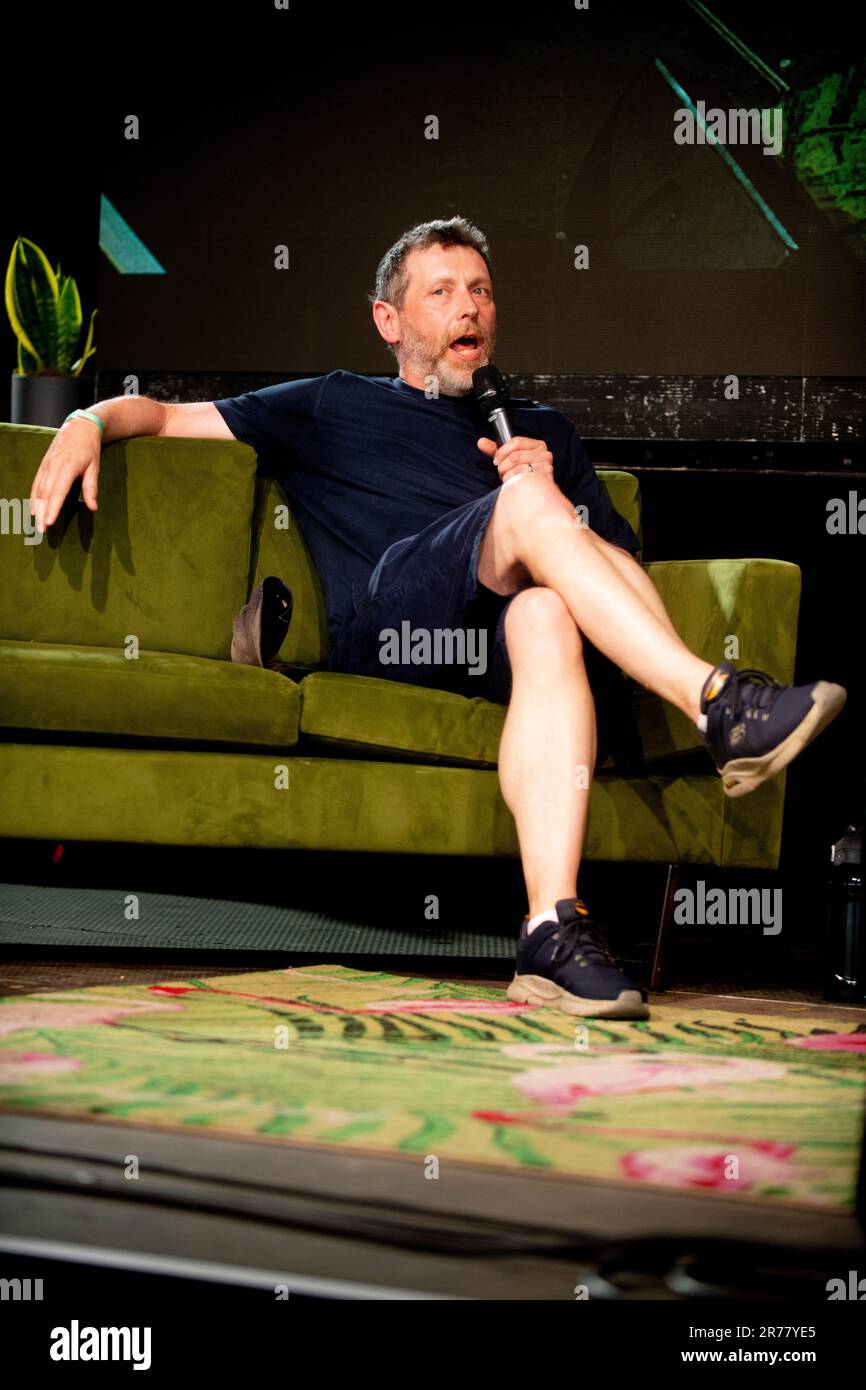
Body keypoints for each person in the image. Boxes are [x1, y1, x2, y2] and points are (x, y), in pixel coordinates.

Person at [29, 217, 847, 1021]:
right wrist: (86, 420)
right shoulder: (332, 404)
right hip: (394, 624)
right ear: (390, 321)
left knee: (543, 612)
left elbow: (625, 581)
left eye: (482, 291)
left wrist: (555, 498)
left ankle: (551, 929)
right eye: (444, 291)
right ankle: (719, 704)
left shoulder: (542, 433)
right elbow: (168, 417)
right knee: (525, 513)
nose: (470, 308)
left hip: (500, 647)